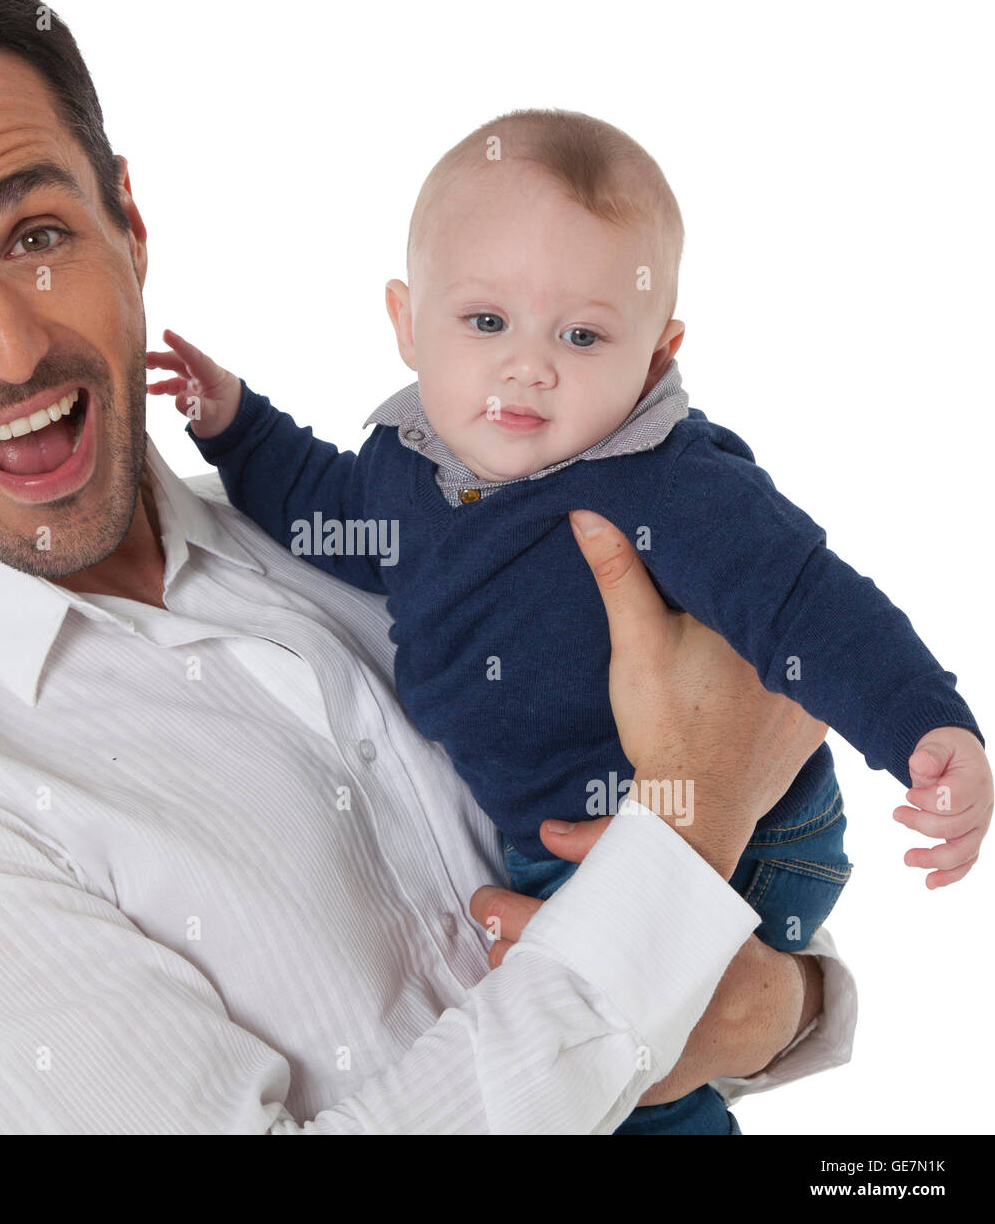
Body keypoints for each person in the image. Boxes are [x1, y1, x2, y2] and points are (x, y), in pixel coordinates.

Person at [0, 0, 852, 1133]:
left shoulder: (371, 533)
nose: (7, 344)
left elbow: (703, 946)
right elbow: (670, 863)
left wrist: (777, 1009)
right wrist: (688, 828)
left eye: (39, 232)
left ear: (130, 228)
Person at [144, 109, 990, 1133]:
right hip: (591, 834)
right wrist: (234, 424)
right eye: (484, 322)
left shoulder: (664, 477)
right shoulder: (410, 466)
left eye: (581, 335)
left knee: (616, 1079)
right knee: (583, 1057)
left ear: (657, 348)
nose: (526, 366)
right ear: (406, 322)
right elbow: (324, 511)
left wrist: (923, 728)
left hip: (753, 830)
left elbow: (805, 597)